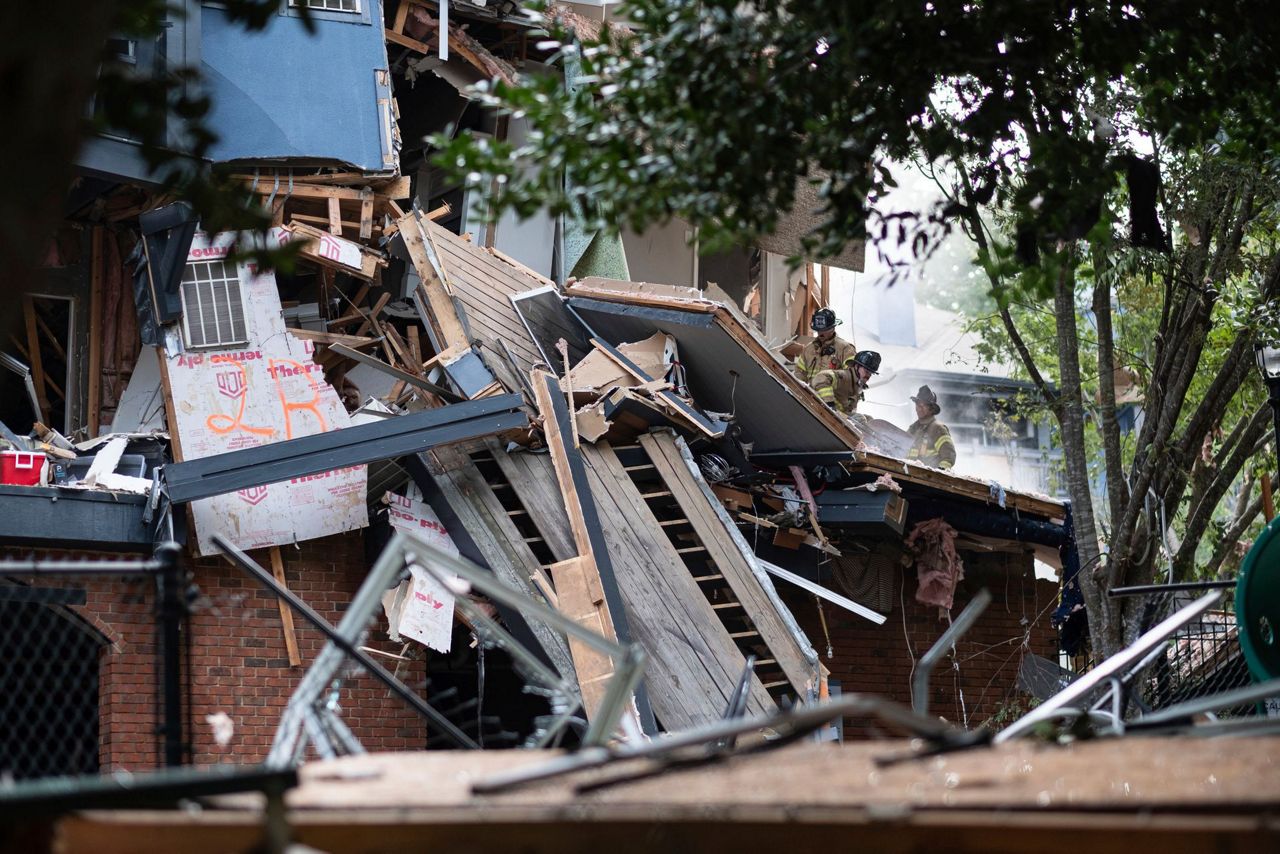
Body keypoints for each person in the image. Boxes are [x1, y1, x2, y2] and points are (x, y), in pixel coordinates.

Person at [793, 308, 858, 412]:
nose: (820, 334)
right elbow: (799, 373)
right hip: (811, 403)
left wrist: (836, 406)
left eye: (824, 330)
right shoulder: (809, 349)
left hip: (837, 408)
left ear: (832, 328)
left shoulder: (845, 349)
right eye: (818, 330)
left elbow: (852, 380)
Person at [906, 385, 956, 469]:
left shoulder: (938, 429)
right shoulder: (913, 428)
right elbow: (901, 449)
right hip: (908, 476)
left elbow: (949, 456)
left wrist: (939, 473)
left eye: (923, 406)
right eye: (917, 405)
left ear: (931, 409)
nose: (919, 409)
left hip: (927, 478)